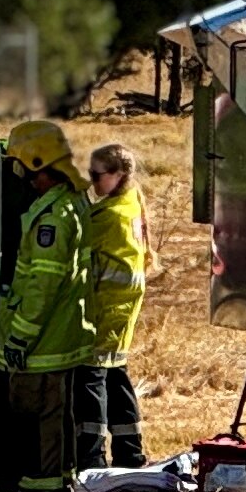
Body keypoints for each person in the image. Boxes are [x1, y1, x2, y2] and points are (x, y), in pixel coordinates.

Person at [0, 118, 96, 492]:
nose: (19, 175)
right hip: (62, 334)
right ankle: (57, 489)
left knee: (37, 420)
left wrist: (19, 337)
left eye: (21, 166)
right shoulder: (70, 203)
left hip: (42, 341)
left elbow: (42, 286)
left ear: (38, 165)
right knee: (57, 416)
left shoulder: (51, 219)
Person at [76, 141, 152, 474]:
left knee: (91, 375)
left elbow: (76, 239)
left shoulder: (109, 217)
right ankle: (129, 451)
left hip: (106, 305)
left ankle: (91, 456)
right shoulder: (130, 200)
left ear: (118, 175)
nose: (92, 182)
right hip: (121, 304)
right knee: (115, 372)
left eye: (97, 175)